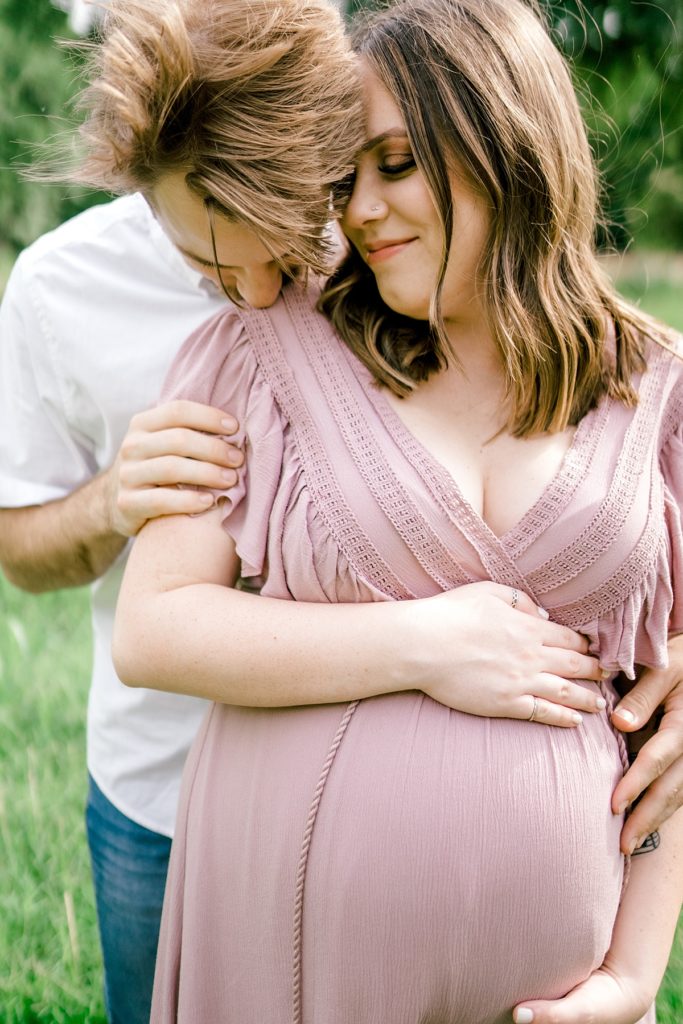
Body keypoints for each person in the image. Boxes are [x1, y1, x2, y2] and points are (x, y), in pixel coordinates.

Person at [113, 0, 683, 1021]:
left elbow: (658, 747)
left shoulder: (656, 391)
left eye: (394, 163)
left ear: (506, 141)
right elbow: (153, 629)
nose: (359, 212)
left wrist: (634, 970)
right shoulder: (265, 350)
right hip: (287, 964)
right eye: (345, 179)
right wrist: (423, 644)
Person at [0, 1, 362, 1021]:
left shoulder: (392, 243)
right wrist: (112, 501)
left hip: (360, 789)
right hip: (154, 801)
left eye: (286, 253)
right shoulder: (55, 292)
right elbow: (21, 550)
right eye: (211, 265)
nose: (254, 294)